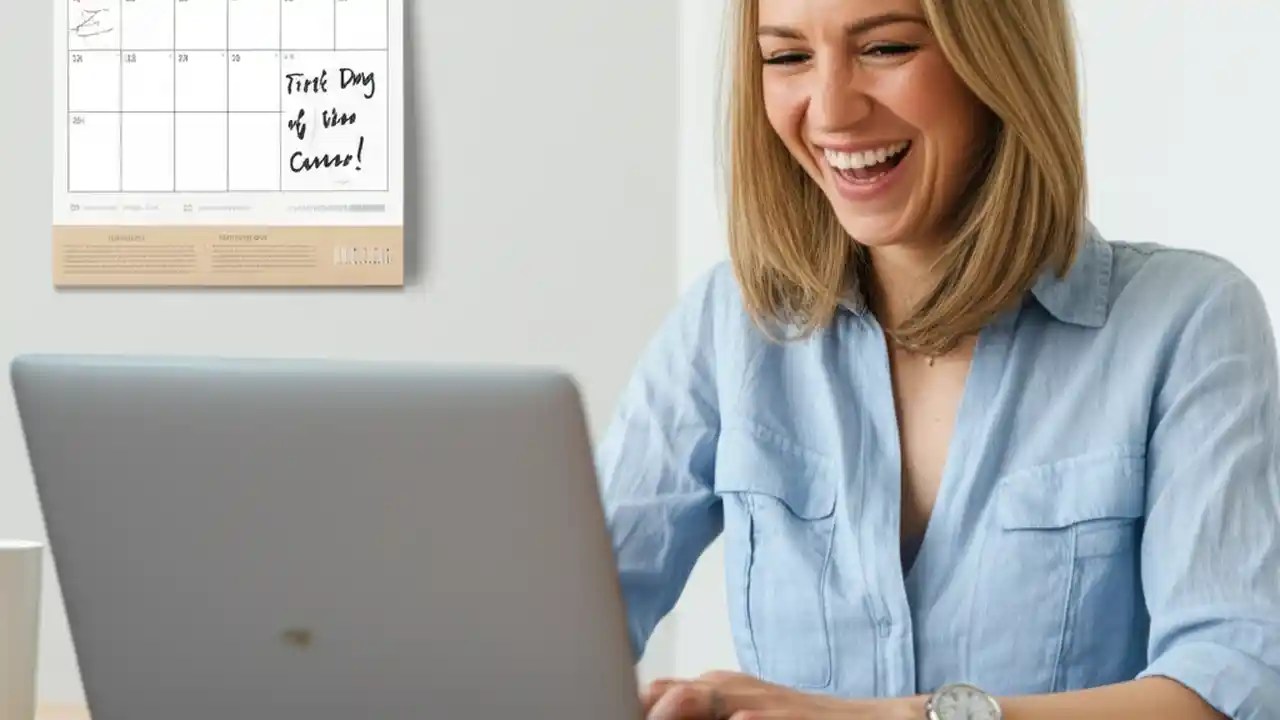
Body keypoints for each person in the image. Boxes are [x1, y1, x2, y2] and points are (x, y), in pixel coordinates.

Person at [593, 0, 1280, 718]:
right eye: (788, 57)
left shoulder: (1187, 320)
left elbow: (1233, 686)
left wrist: (887, 718)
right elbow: (560, 622)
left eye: (886, 49)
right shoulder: (729, 323)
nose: (830, 112)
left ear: (1000, 60)